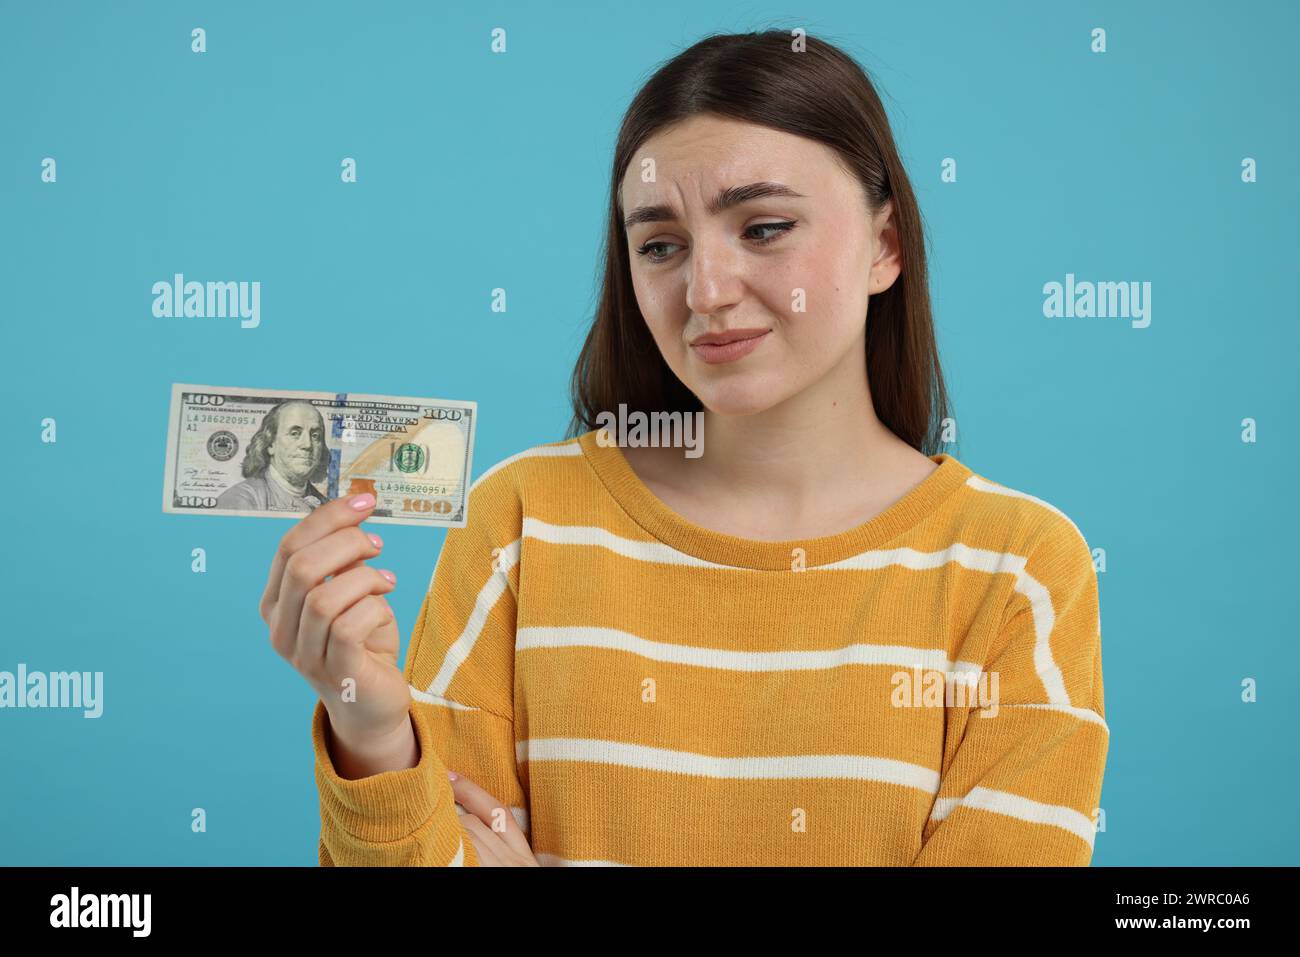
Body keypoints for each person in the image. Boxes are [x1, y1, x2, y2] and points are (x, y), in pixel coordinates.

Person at [263, 30, 1108, 866]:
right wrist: (373, 732)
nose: (706, 291)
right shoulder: (520, 524)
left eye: (766, 227)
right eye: (660, 245)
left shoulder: (1018, 573)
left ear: (885, 246)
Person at [218, 401, 330, 513]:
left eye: (315, 436)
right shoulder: (241, 499)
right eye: (295, 433)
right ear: (271, 444)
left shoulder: (328, 506)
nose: (307, 444)